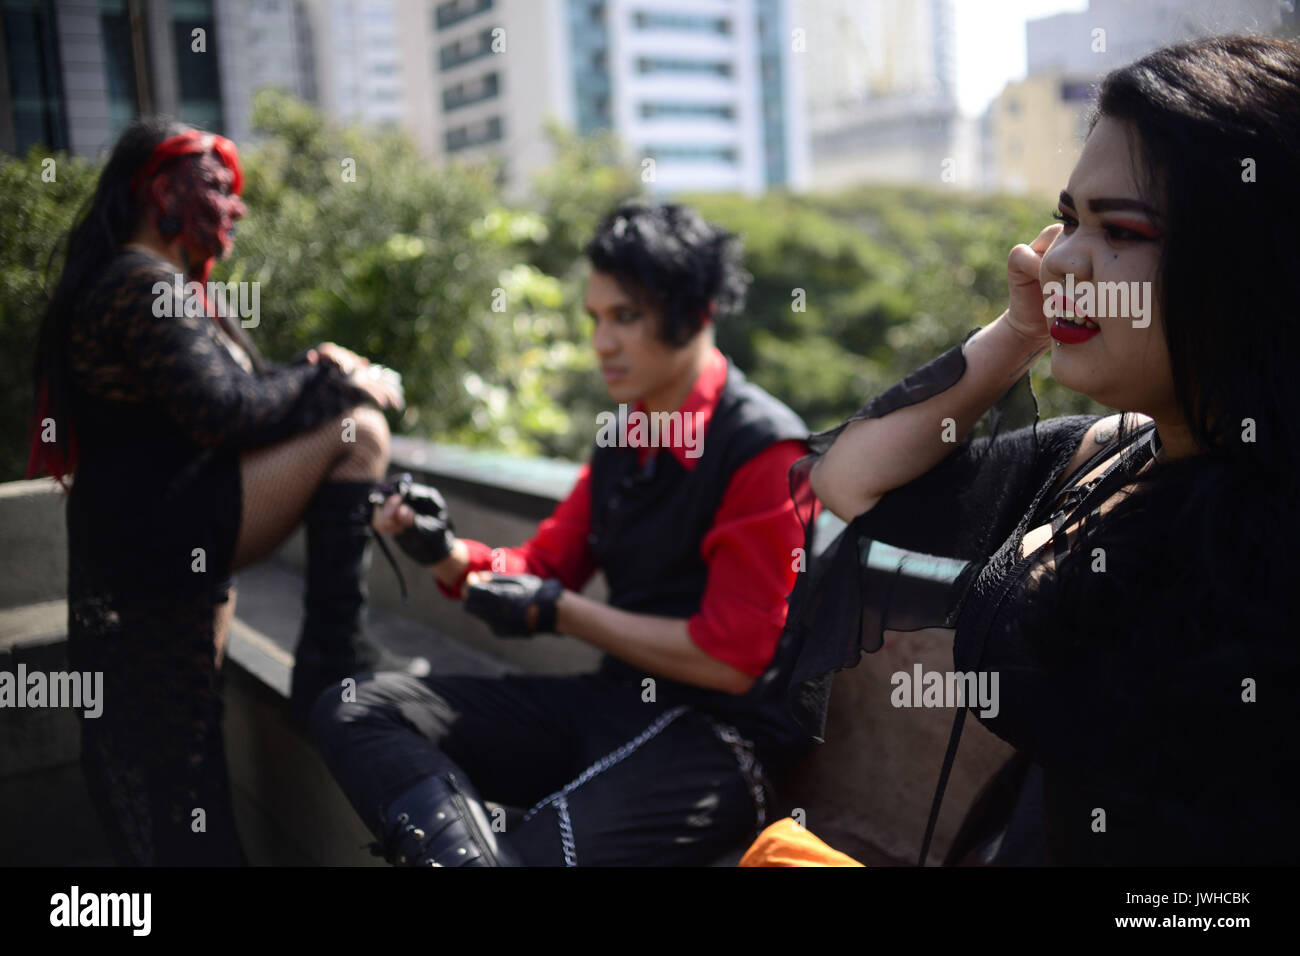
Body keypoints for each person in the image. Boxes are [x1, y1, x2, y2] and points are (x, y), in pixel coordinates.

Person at [779, 34, 1300, 866]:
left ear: (1248, 260)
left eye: (1119, 229)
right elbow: (849, 478)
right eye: (1066, 219)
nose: (1061, 259)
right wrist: (1022, 331)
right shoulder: (1110, 455)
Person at [311, 202, 816, 866]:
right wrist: (440, 549)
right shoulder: (626, 431)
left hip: (716, 746)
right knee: (356, 707)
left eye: (626, 317)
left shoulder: (763, 449)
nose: (602, 343)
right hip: (612, 705)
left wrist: (564, 612)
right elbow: (544, 561)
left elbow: (727, 661)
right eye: (596, 319)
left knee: (529, 853)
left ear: (698, 312)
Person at [28, 118, 421, 866]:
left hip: (152, 538)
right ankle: (335, 660)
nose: (232, 207)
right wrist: (339, 381)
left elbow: (240, 388)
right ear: (158, 192)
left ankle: (335, 660)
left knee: (180, 753)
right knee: (361, 431)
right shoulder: (142, 284)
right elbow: (222, 411)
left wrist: (313, 364)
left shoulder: (145, 280)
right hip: (163, 538)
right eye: (215, 187)